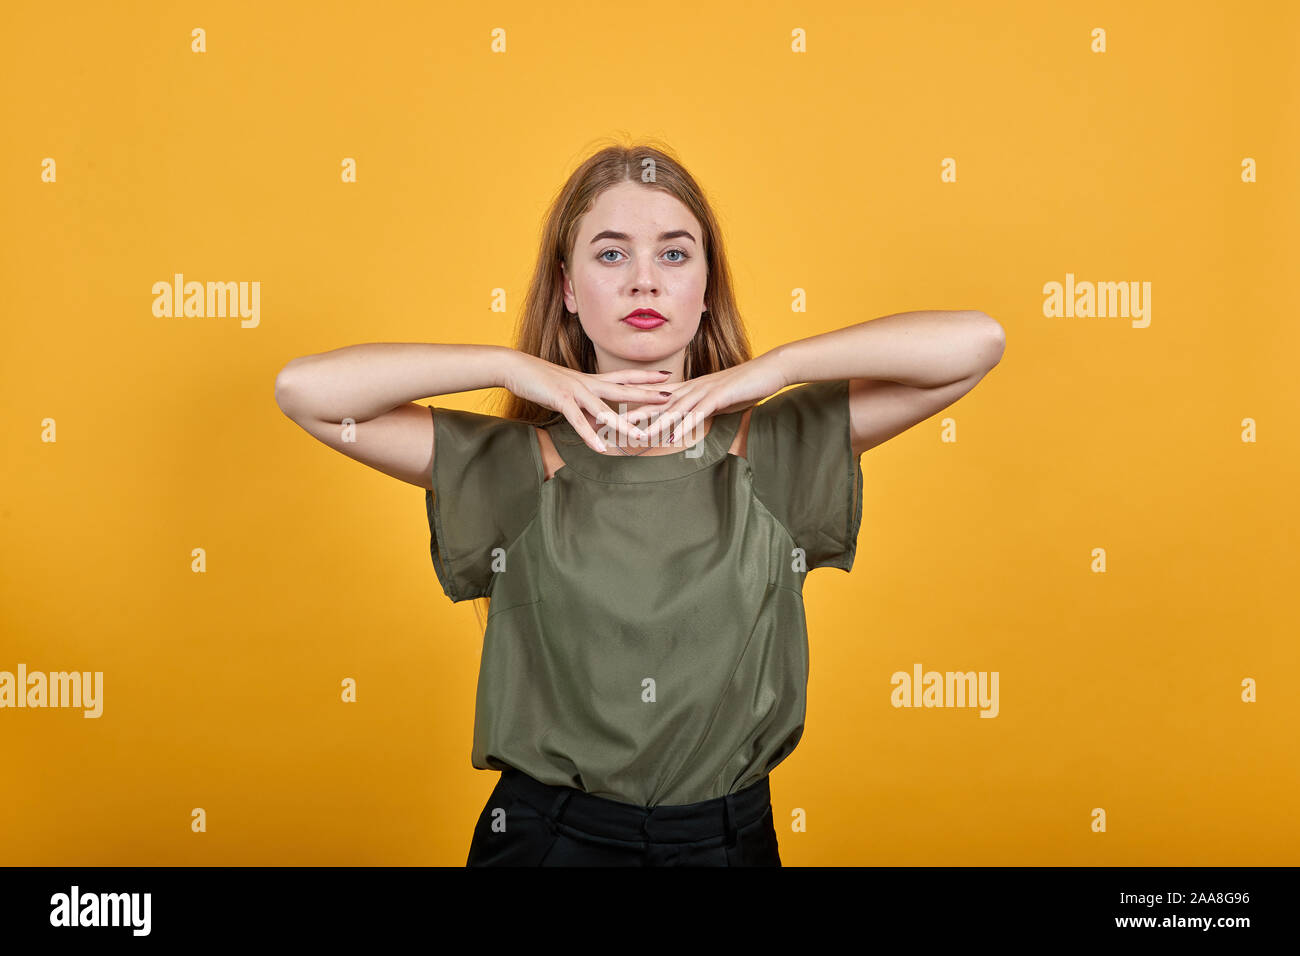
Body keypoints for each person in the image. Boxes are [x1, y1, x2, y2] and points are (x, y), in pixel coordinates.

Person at [274, 140, 1006, 865]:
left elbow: (976, 341)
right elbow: (305, 392)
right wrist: (511, 367)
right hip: (549, 843)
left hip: (728, 843)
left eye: (676, 254)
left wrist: (774, 370)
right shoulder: (514, 464)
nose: (644, 283)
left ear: (707, 284)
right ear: (567, 287)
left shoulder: (775, 447)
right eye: (612, 254)